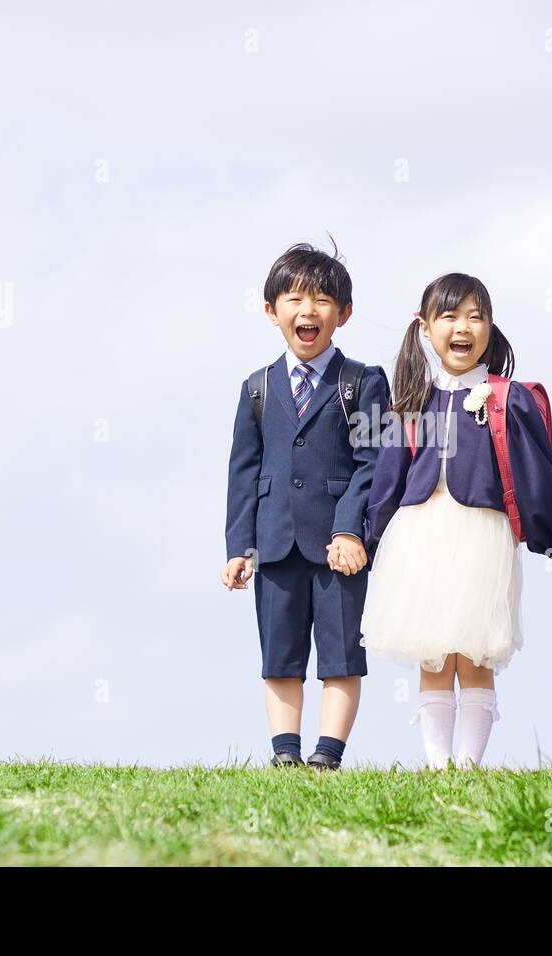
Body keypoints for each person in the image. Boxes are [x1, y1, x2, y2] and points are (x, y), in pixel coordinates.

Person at [360, 273, 552, 770]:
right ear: (424, 328)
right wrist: (367, 542)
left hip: (481, 538)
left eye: (475, 315)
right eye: (449, 315)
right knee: (434, 656)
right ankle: (439, 766)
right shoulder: (410, 402)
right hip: (418, 535)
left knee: (476, 656)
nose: (463, 326)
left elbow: (535, 474)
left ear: (489, 327)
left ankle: (468, 766)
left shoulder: (508, 398)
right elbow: (387, 479)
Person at [222, 240, 390, 771]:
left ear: (344, 313)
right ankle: (285, 754)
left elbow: (374, 462)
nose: (308, 310)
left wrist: (351, 532)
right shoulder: (256, 388)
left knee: (341, 654)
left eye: (321, 299)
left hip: (340, 546)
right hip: (273, 543)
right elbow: (243, 472)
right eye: (294, 299)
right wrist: (240, 546)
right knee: (280, 656)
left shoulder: (362, 382)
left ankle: (328, 754)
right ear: (272, 311)